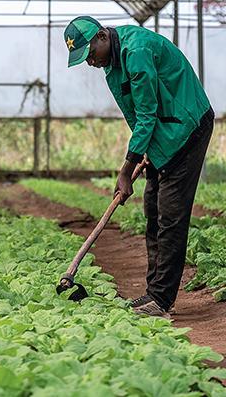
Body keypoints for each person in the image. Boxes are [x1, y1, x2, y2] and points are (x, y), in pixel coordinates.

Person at [64, 16, 213, 318]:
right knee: (153, 210)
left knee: (170, 215)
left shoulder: (137, 51)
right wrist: (145, 152)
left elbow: (147, 113)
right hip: (163, 134)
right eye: (84, 59)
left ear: (103, 36)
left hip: (186, 129)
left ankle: (161, 300)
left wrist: (126, 168)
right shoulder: (112, 64)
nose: (90, 62)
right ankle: (153, 293)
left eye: (90, 53)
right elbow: (138, 116)